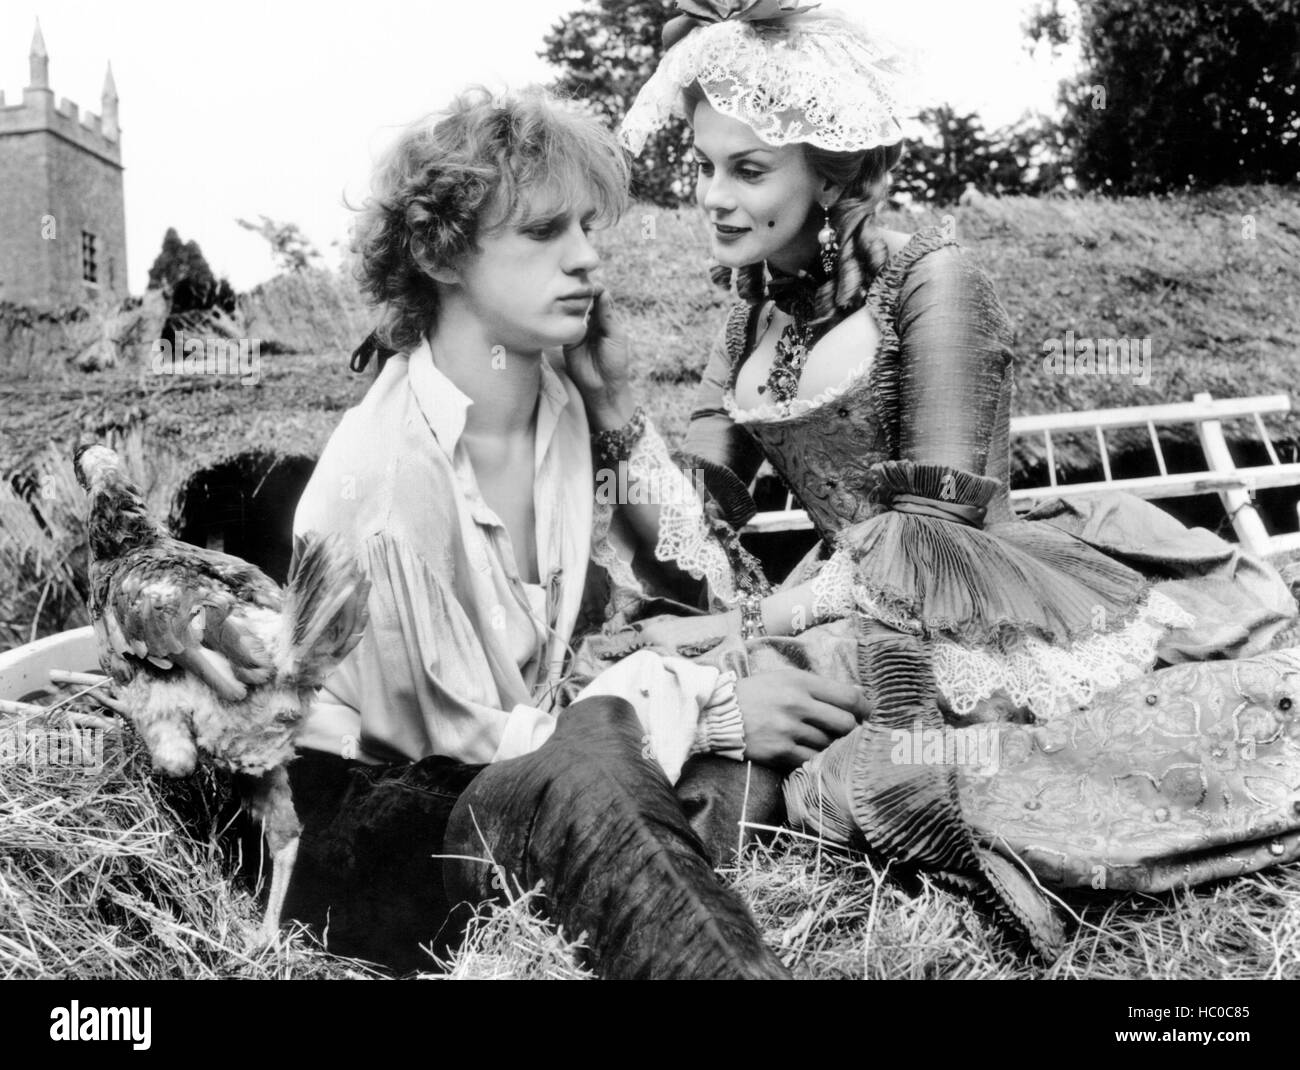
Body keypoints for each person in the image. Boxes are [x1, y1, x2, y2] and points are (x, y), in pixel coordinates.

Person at [564, 2, 1300, 957]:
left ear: (832, 174)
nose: (713, 195)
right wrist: (615, 406)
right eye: (703, 165)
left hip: (968, 602)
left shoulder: (935, 275)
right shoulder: (743, 321)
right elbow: (701, 529)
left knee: (854, 754)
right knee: (664, 693)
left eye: (748, 170)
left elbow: (936, 527)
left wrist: (752, 625)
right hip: (842, 603)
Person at [281, 84, 868, 977]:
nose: (588, 259)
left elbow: (703, 585)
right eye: (546, 232)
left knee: (779, 708)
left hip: (547, 772)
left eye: (590, 228)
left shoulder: (557, 401)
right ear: (442, 256)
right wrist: (705, 711)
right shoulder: (386, 480)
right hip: (397, 843)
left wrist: (613, 405)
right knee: (631, 755)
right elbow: (452, 745)